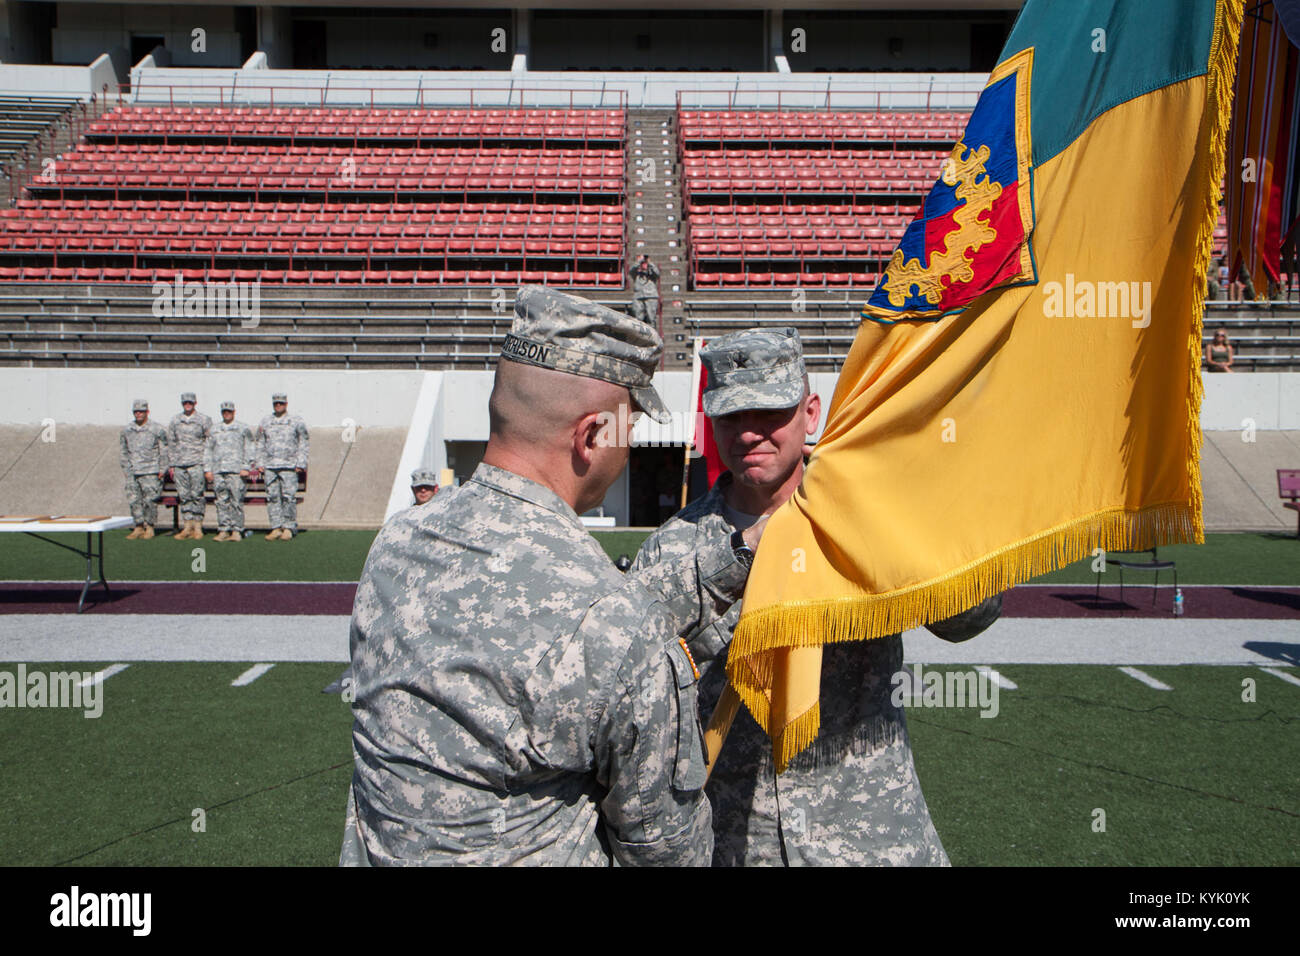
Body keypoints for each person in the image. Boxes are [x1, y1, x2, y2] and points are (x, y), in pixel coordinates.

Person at [340, 285, 766, 866]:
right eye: (629, 430)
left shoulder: (395, 543)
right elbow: (666, 851)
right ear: (590, 437)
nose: (631, 447)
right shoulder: (612, 615)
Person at [634, 327, 1002, 866]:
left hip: (873, 833)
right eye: (732, 417)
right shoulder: (676, 545)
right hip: (740, 841)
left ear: (810, 414)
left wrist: (907, 524)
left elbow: (972, 617)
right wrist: (741, 554)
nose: (749, 434)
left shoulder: (862, 512)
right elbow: (635, 655)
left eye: (769, 413)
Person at [256, 392, 309, 540]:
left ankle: (289, 527)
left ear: (286, 404)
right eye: (275, 403)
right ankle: (276, 527)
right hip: (270, 466)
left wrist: (301, 462)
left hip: (289, 465)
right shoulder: (266, 421)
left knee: (288, 497)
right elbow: (260, 442)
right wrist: (260, 462)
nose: (278, 406)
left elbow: (303, 441)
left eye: (281, 403)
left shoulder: (296, 420)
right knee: (272, 497)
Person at [205, 401, 256, 542]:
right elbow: (208, 450)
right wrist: (207, 470)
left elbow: (250, 447)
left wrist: (246, 467)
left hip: (236, 471)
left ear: (234, 412)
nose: (226, 413)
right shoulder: (215, 429)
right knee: (221, 501)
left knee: (236, 501)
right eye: (224, 411)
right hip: (218, 471)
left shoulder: (242, 428)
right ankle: (223, 529)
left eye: (229, 411)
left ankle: (237, 530)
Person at [119, 399, 169, 540]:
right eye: (136, 412)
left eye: (141, 411)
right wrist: (126, 468)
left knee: (150, 501)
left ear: (147, 412)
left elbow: (164, 449)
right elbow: (123, 451)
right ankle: (138, 526)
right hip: (133, 471)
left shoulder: (156, 428)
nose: (138, 414)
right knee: (134, 500)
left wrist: (162, 468)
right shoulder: (127, 430)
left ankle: (150, 526)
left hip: (151, 470)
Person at [168, 391, 212, 540]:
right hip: (180, 465)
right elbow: (172, 443)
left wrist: (207, 465)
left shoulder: (204, 420)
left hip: (197, 463)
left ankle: (198, 526)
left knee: (197, 495)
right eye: (185, 402)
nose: (188, 405)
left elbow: (209, 443)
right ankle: (187, 526)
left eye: (190, 402)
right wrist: (172, 464)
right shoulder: (175, 420)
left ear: (195, 403)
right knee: (184, 496)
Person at [629, 253, 660, 325]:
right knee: (638, 318)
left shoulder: (652, 275)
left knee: (651, 318)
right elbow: (631, 270)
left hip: (651, 296)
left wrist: (649, 263)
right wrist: (639, 261)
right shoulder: (636, 275)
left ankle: (652, 334)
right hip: (638, 296)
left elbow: (657, 273)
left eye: (645, 264)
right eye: (642, 264)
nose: (644, 265)